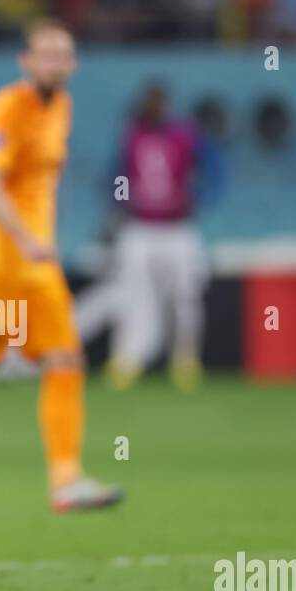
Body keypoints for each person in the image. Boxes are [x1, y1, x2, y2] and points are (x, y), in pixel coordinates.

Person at [0, 19, 123, 516]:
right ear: (27, 61)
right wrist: (26, 238)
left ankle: (66, 479)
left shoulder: (63, 106)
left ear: (72, 64)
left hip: (37, 264)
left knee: (65, 359)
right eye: (46, 54)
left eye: (63, 54)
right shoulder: (7, 107)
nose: (55, 62)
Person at [105, 82, 211, 392]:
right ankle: (127, 359)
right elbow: (116, 175)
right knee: (133, 295)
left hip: (178, 228)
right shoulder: (132, 135)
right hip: (140, 226)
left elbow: (214, 170)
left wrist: (197, 196)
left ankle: (186, 360)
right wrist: (119, 204)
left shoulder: (185, 135)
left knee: (187, 296)